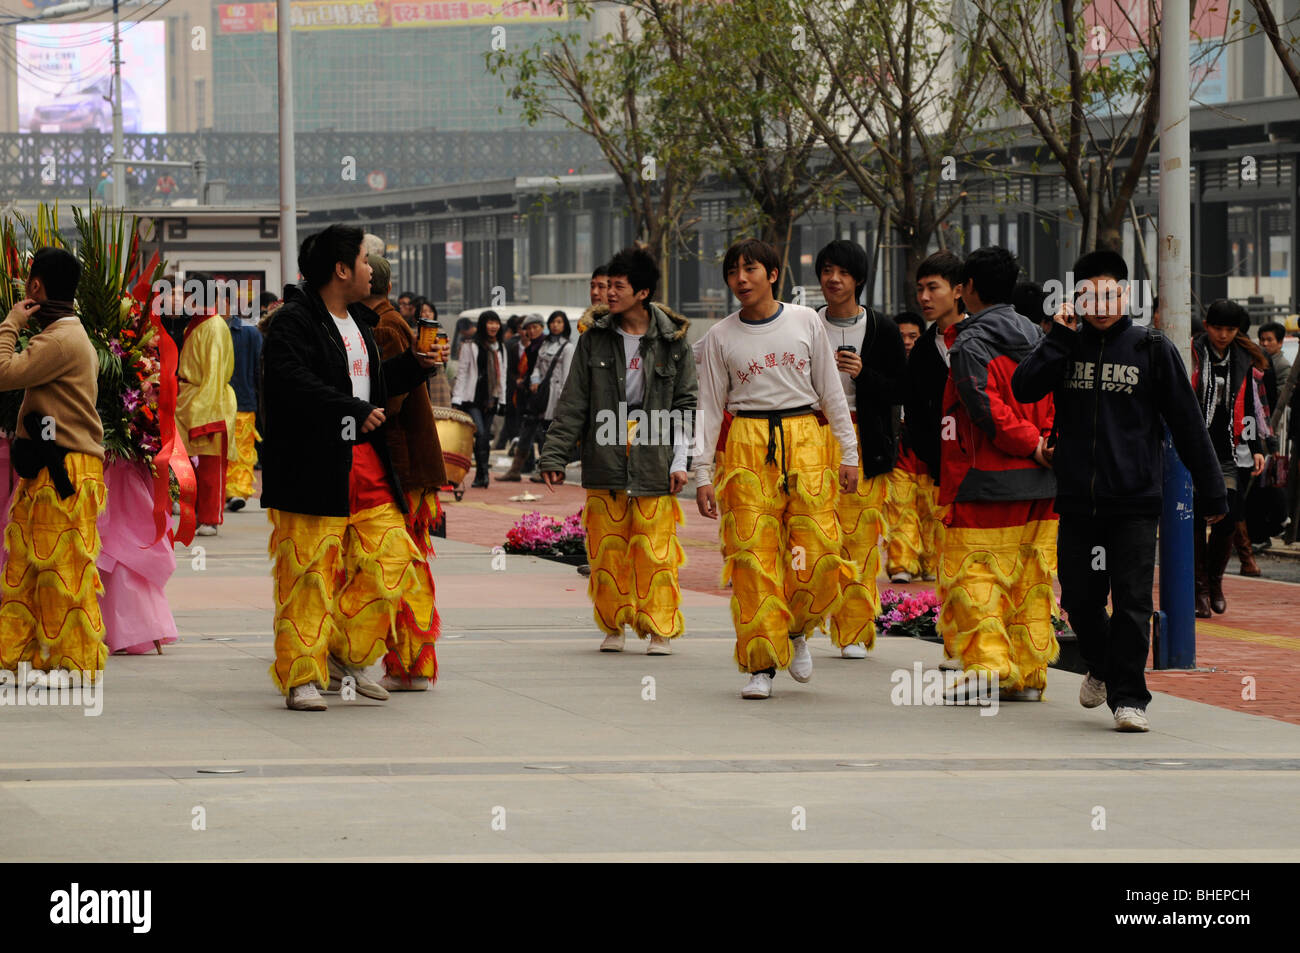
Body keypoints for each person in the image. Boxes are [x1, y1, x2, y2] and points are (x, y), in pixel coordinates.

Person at [1012, 250, 1227, 732]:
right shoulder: (1063, 345)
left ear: (1125, 294)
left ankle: (1130, 698)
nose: (1102, 303)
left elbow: (1188, 425)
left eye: (1110, 292)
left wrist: (1213, 493)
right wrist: (1058, 339)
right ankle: (1103, 666)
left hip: (1133, 502)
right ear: (1076, 298)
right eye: (1090, 293)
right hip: (1078, 503)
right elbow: (1024, 389)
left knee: (1131, 602)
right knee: (1080, 599)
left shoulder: (1150, 348)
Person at [260, 224, 439, 711]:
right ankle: (301, 675)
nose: (371, 269)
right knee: (309, 574)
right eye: (363, 259)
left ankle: (342, 652)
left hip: (365, 463)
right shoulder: (293, 321)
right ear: (341, 269)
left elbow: (371, 389)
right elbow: (289, 381)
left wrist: (415, 366)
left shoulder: (358, 321)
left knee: (393, 562)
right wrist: (349, 410)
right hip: (312, 466)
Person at [694, 238, 859, 699]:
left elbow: (831, 391)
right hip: (746, 445)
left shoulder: (806, 321)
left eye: (750, 270)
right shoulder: (720, 337)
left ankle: (796, 627)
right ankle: (760, 665)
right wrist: (702, 471)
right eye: (732, 272)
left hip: (806, 438)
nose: (740, 279)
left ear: (773, 274)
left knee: (821, 553)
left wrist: (849, 453)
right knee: (752, 556)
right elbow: (708, 408)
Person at [538, 246, 696, 655]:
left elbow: (684, 404)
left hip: (654, 452)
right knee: (607, 547)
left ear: (642, 292)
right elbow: (574, 401)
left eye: (618, 287)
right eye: (607, 285)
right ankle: (614, 624)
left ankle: (659, 628)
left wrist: (681, 461)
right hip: (605, 454)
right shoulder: (596, 340)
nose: (608, 293)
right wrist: (554, 455)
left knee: (655, 546)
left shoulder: (672, 341)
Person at [939, 246, 1057, 702]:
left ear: (967, 289)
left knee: (977, 574)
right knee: (1030, 577)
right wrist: (1045, 445)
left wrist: (1028, 443)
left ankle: (988, 664)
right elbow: (1055, 402)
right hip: (1042, 481)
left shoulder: (970, 343)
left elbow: (987, 411)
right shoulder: (1041, 337)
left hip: (987, 477)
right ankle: (1027, 672)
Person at [0, 248, 108, 684]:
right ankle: (20, 657)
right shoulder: (64, 335)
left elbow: (4, 372)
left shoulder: (61, 338)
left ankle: (74, 662)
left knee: (63, 568)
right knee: (27, 565)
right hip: (51, 466)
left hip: (65, 468)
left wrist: (10, 324)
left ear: (37, 286)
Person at [359, 255, 447, 691]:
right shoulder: (383, 320)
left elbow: (387, 401)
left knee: (403, 566)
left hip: (402, 463)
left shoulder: (384, 326)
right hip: (404, 461)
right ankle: (405, 662)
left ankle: (410, 663)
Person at [814, 240, 905, 658]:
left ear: (859, 280)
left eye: (844, 273)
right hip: (813, 436)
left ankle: (853, 631)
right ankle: (804, 619)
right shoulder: (806, 323)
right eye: (828, 270)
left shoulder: (882, 328)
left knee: (860, 538)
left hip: (865, 440)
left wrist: (863, 374)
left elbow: (898, 390)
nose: (834, 279)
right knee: (810, 532)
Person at [1190, 300, 1271, 616]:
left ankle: (1214, 581)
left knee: (1228, 515)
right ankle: (1198, 590)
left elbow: (1250, 404)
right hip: (1193, 446)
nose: (1222, 335)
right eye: (1217, 328)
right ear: (1206, 325)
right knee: (1195, 519)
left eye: (1230, 329)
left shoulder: (1244, 359)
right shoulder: (1192, 352)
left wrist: (1257, 447)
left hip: (1228, 449)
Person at [904, 252, 962, 665]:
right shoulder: (925, 348)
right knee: (952, 560)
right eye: (920, 289)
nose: (924, 297)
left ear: (959, 290)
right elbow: (916, 407)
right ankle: (959, 643)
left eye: (933, 288)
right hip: (945, 473)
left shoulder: (983, 336)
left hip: (987, 471)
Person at [884, 310, 938, 584]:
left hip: (929, 445)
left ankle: (930, 562)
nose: (906, 341)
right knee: (900, 505)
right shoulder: (884, 367)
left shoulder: (933, 364)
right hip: (900, 446)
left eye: (912, 336)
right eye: (900, 336)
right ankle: (901, 563)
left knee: (930, 507)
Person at [177, 295, 237, 537]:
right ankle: (198, 515)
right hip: (190, 397)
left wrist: (205, 411)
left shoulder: (213, 326)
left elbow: (214, 373)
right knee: (191, 465)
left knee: (211, 466)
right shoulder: (194, 323)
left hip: (208, 400)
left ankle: (210, 518)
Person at [505, 311, 574, 483]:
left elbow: (566, 375)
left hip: (555, 395)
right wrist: (534, 381)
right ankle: (518, 469)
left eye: (559, 322)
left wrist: (564, 400)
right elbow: (535, 367)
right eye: (553, 322)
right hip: (539, 395)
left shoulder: (568, 347)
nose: (555, 325)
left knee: (549, 433)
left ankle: (552, 472)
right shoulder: (543, 345)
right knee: (531, 431)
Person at [451, 310, 507, 488]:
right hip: (472, 398)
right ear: (483, 325)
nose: (493, 326)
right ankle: (482, 474)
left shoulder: (501, 347)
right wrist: (457, 398)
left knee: (484, 438)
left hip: (491, 398)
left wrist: (503, 400)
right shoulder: (470, 345)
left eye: (496, 322)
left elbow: (502, 376)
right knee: (481, 433)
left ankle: (483, 476)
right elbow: (463, 372)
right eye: (490, 322)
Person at [225, 306, 262, 512]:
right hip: (215, 403)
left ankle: (237, 491)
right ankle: (224, 491)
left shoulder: (249, 332)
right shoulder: (206, 328)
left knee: (242, 449)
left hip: (243, 400)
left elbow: (259, 368)